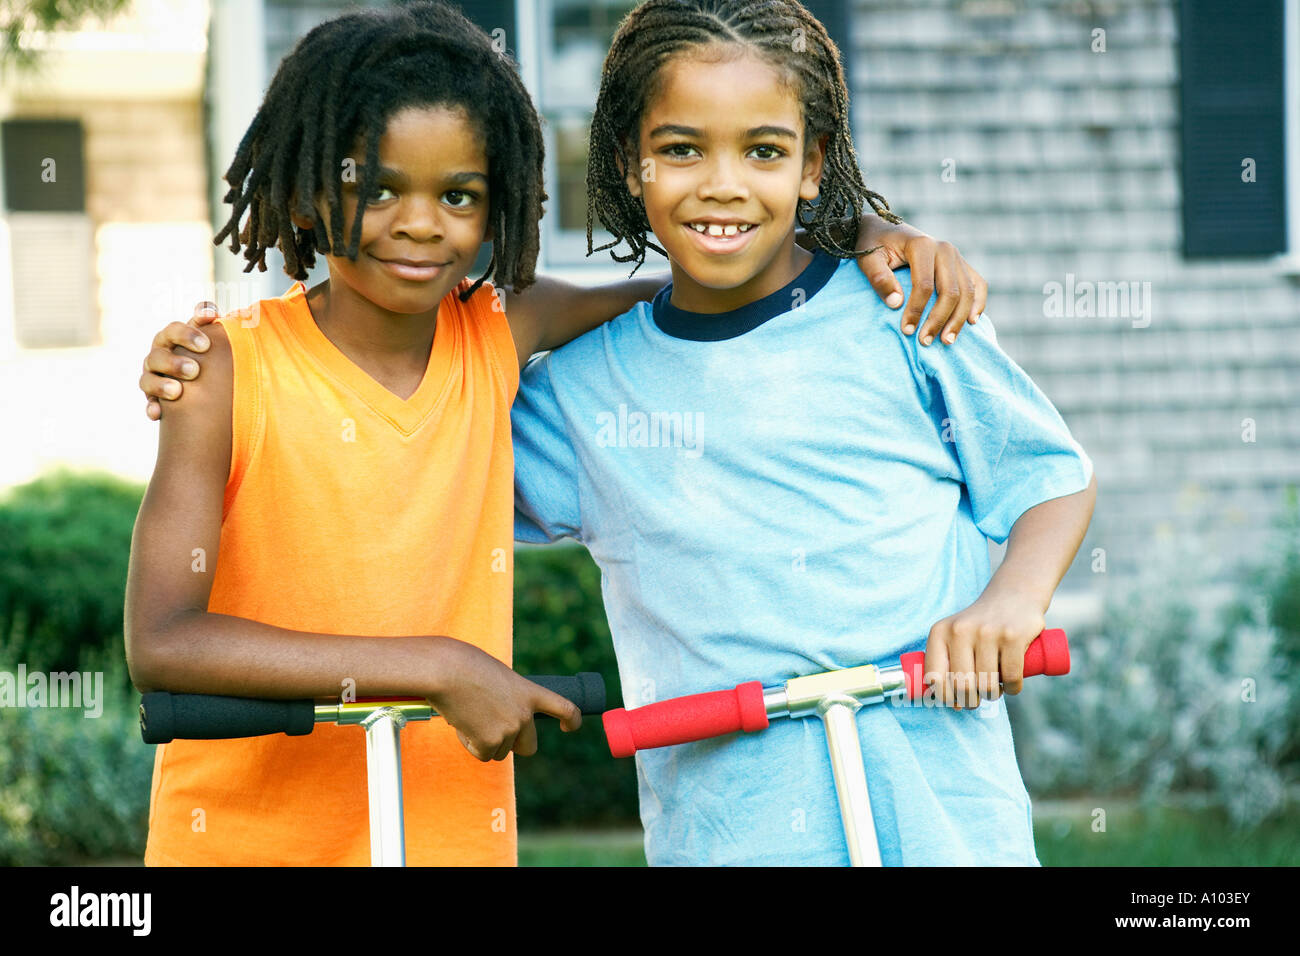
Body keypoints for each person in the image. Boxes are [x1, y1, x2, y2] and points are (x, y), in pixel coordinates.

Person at [133, 3, 999, 866]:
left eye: (460, 196)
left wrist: (866, 234)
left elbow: (708, 285)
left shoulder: (504, 325)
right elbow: (162, 643)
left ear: (499, 202)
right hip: (246, 840)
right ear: (309, 186)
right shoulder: (221, 371)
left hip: (450, 829)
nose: (422, 223)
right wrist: (436, 667)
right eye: (379, 187)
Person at [504, 0, 1098, 865]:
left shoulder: (904, 311)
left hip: (947, 814)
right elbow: (435, 466)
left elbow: (1049, 475)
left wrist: (1010, 604)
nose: (722, 182)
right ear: (631, 167)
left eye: (764, 151)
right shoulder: (587, 390)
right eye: (680, 149)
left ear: (812, 166)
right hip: (732, 826)